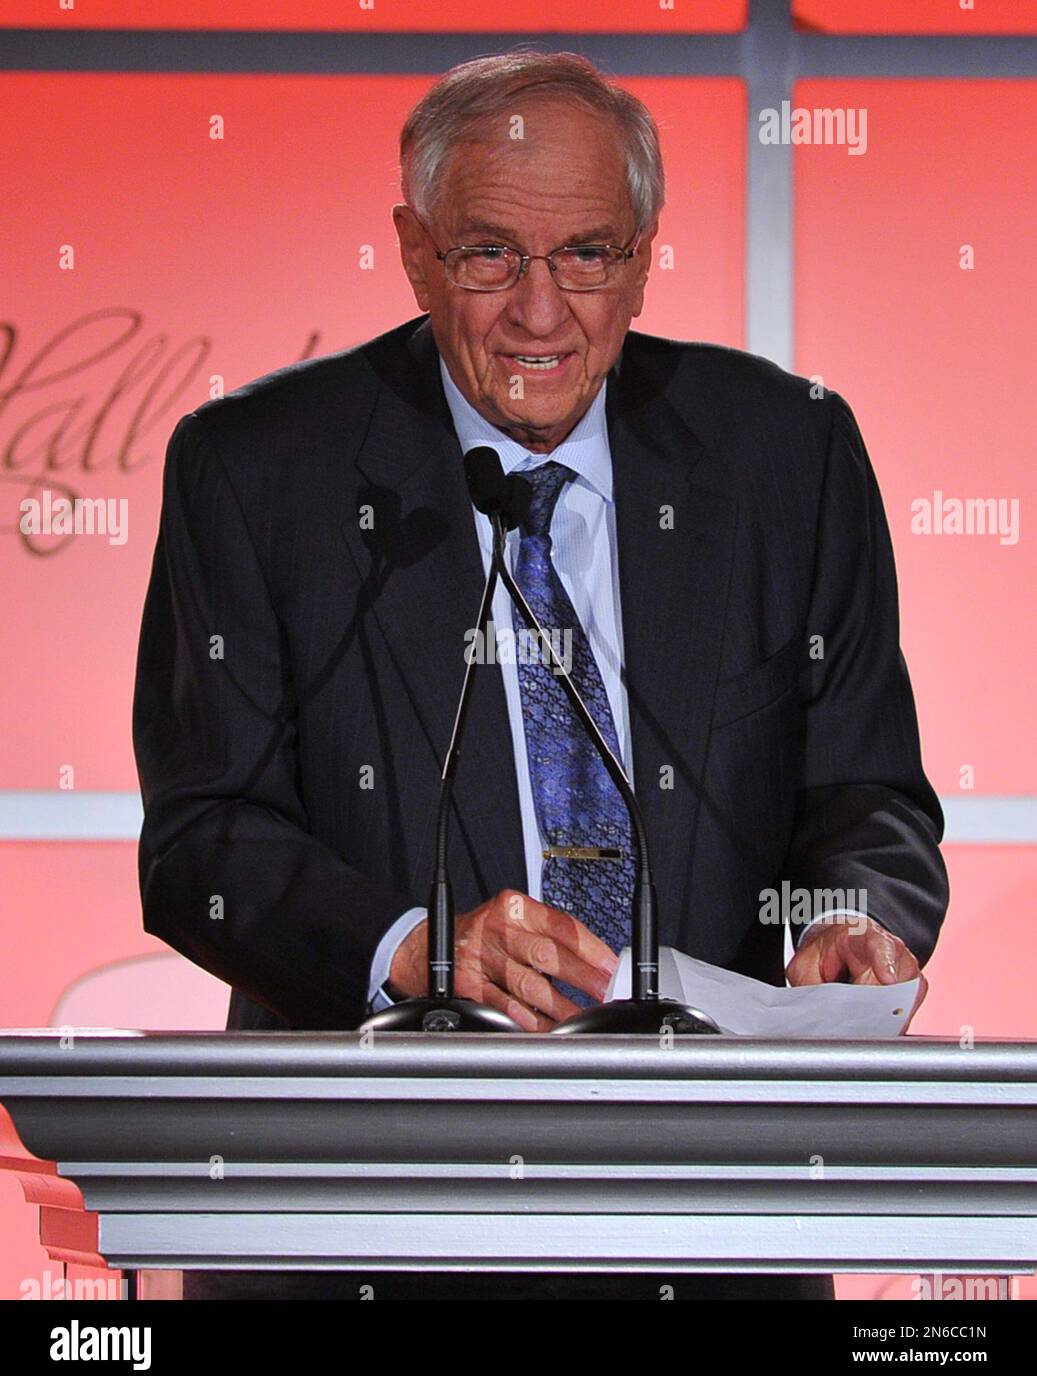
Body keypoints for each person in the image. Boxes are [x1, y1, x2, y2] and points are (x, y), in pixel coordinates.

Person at [133, 51, 948, 1300]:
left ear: (642, 253)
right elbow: (203, 840)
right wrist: (413, 950)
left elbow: (869, 801)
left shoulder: (784, 454)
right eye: (487, 254)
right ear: (412, 252)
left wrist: (847, 920)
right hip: (367, 1221)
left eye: (587, 254)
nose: (539, 311)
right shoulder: (254, 472)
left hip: (712, 1220)